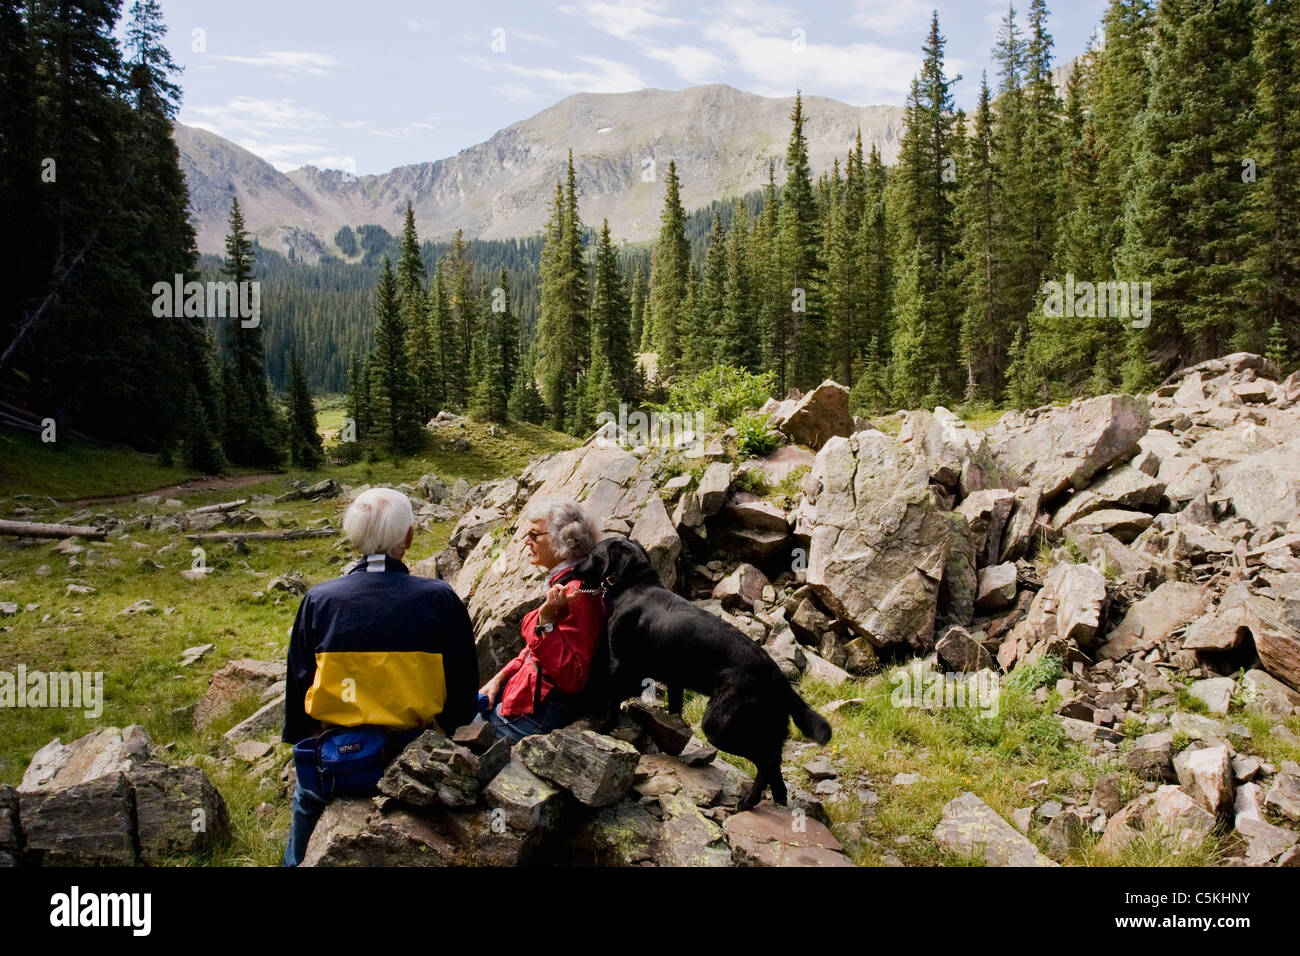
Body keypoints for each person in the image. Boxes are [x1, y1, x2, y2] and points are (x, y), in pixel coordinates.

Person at [281, 487, 478, 866]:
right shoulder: (439, 598)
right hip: (416, 758)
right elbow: (462, 687)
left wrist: (306, 738)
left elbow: (299, 683)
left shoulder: (319, 601)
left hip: (338, 760)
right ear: (409, 537)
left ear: (355, 540)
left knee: (305, 808)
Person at [478, 497, 604, 742]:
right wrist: (499, 678)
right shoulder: (566, 581)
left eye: (534, 535)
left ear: (564, 539)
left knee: (455, 727)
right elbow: (533, 652)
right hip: (526, 699)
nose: (527, 541)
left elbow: (573, 677)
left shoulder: (577, 594)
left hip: (539, 713)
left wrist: (544, 621)